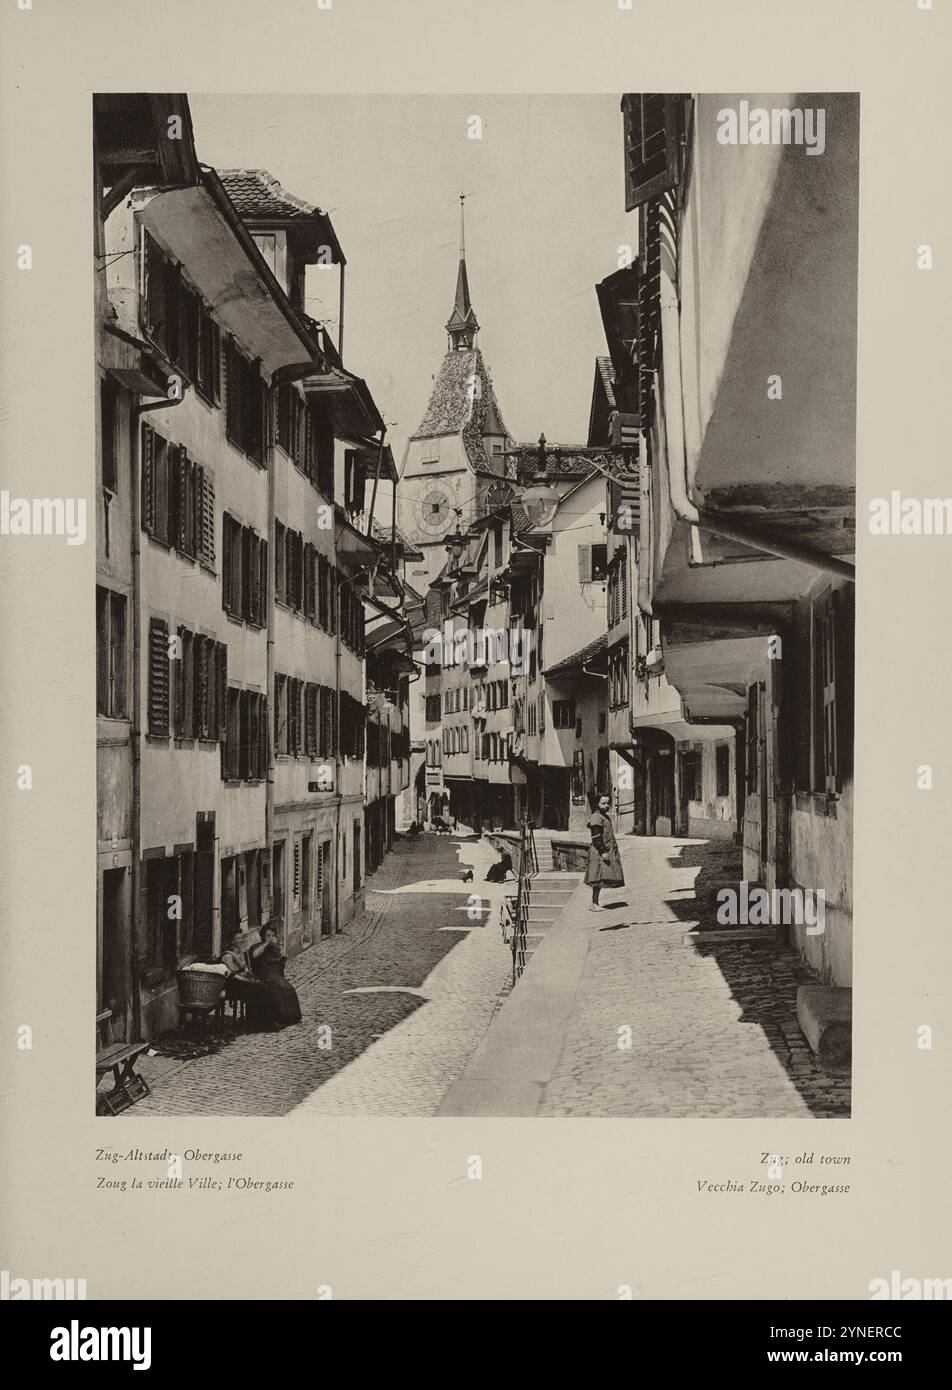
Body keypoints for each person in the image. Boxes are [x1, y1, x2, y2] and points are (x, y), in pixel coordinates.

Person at [249, 925, 302, 1029]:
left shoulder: (274, 949)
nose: (270, 937)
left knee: (289, 989)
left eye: (272, 935)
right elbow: (254, 955)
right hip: (264, 974)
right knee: (278, 989)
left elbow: (281, 965)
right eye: (268, 935)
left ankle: (291, 1017)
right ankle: (280, 1018)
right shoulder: (257, 946)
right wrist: (266, 944)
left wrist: (283, 958)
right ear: (263, 936)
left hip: (275, 974)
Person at [221, 931, 268, 1031]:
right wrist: (247, 979)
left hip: (241, 983)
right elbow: (232, 975)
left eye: (242, 938)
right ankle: (253, 1023)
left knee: (264, 987)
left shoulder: (240, 953)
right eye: (238, 938)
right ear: (232, 941)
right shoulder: (228, 956)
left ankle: (259, 1021)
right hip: (233, 985)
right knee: (258, 990)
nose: (241, 940)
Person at [585, 793, 625, 911]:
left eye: (608, 803)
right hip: (599, 851)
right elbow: (596, 837)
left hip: (605, 849)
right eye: (603, 803)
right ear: (597, 804)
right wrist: (603, 851)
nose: (606, 805)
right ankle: (594, 903)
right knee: (597, 877)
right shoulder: (596, 817)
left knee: (601, 877)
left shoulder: (604, 816)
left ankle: (595, 902)